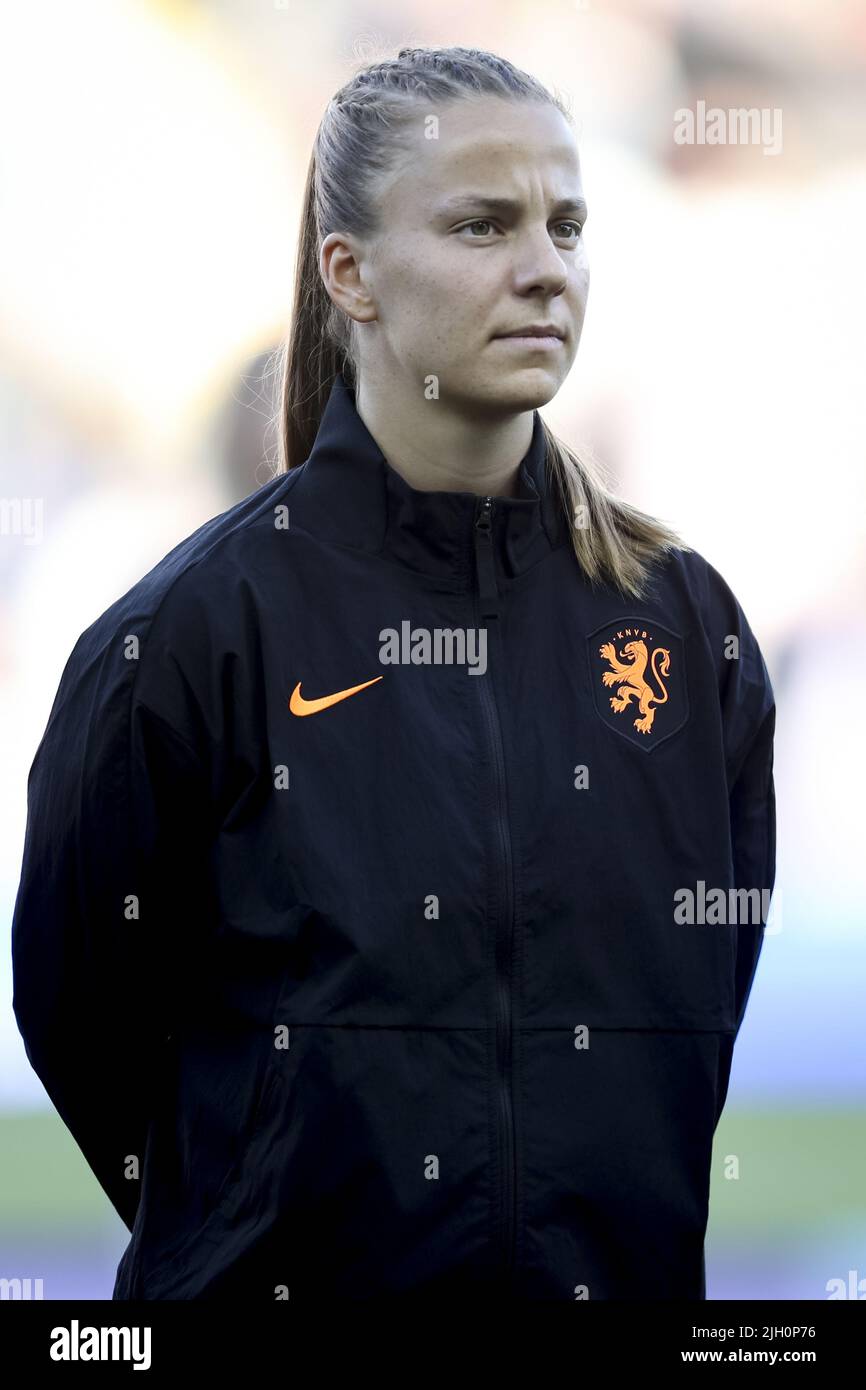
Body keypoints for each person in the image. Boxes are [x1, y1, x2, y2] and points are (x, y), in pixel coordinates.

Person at [11, 45, 776, 1301]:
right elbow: (84, 1016)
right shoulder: (195, 636)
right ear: (347, 273)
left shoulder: (685, 631)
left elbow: (698, 1005)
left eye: (565, 224)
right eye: (482, 224)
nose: (543, 267)